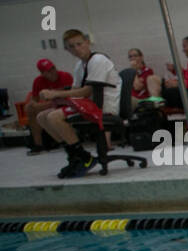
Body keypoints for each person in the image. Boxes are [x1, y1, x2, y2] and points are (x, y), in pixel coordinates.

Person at [32, 29, 121, 179]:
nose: (76, 49)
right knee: (41, 117)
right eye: (71, 46)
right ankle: (75, 155)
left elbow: (86, 91)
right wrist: (54, 97)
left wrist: (55, 94)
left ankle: (84, 158)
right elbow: (74, 91)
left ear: (87, 42)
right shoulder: (80, 65)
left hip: (103, 106)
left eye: (79, 44)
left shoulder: (98, 60)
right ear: (67, 49)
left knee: (54, 117)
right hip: (87, 104)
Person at [23, 58, 73, 154]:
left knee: (45, 112)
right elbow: (34, 100)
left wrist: (46, 103)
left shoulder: (65, 76)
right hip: (52, 105)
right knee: (30, 109)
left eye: (53, 68)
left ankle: (65, 141)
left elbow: (71, 97)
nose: (53, 72)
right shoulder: (38, 81)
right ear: (42, 73)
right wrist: (34, 105)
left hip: (66, 104)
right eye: (48, 71)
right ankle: (38, 144)